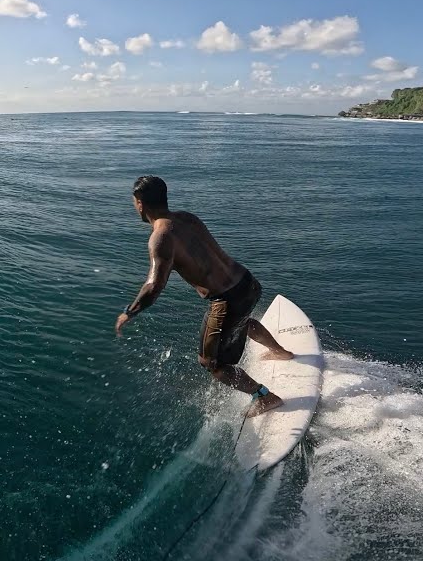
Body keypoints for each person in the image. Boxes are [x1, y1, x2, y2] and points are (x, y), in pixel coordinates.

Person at [115, 176, 294, 417]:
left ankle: (264, 397)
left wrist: (129, 312)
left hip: (227, 299)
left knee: (211, 364)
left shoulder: (160, 238)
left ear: (139, 203)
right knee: (242, 322)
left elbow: (154, 285)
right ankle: (281, 352)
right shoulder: (188, 218)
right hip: (247, 284)